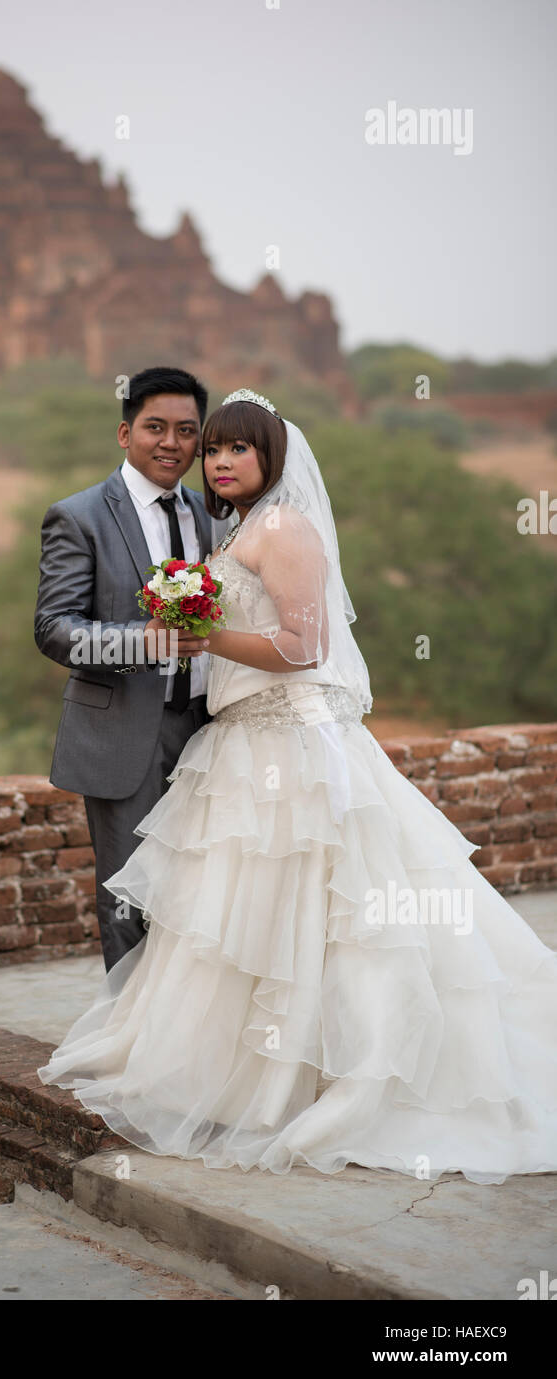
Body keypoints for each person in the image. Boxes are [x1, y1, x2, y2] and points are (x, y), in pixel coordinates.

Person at [37, 389, 557, 1186]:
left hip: (293, 740)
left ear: (272, 457)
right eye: (211, 449)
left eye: (237, 448)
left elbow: (303, 645)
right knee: (243, 919)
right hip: (243, 740)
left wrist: (204, 633)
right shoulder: (238, 527)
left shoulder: (281, 528)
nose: (218, 461)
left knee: (330, 916)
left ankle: (330, 1075)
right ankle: (240, 1074)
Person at [34, 366, 232, 971]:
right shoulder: (79, 516)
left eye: (186, 431)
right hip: (122, 734)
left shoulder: (216, 515)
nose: (171, 443)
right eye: (155, 428)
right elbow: (54, 629)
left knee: (208, 892)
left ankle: (188, 1033)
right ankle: (127, 1045)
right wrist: (141, 643)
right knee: (129, 897)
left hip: (214, 731)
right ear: (125, 433)